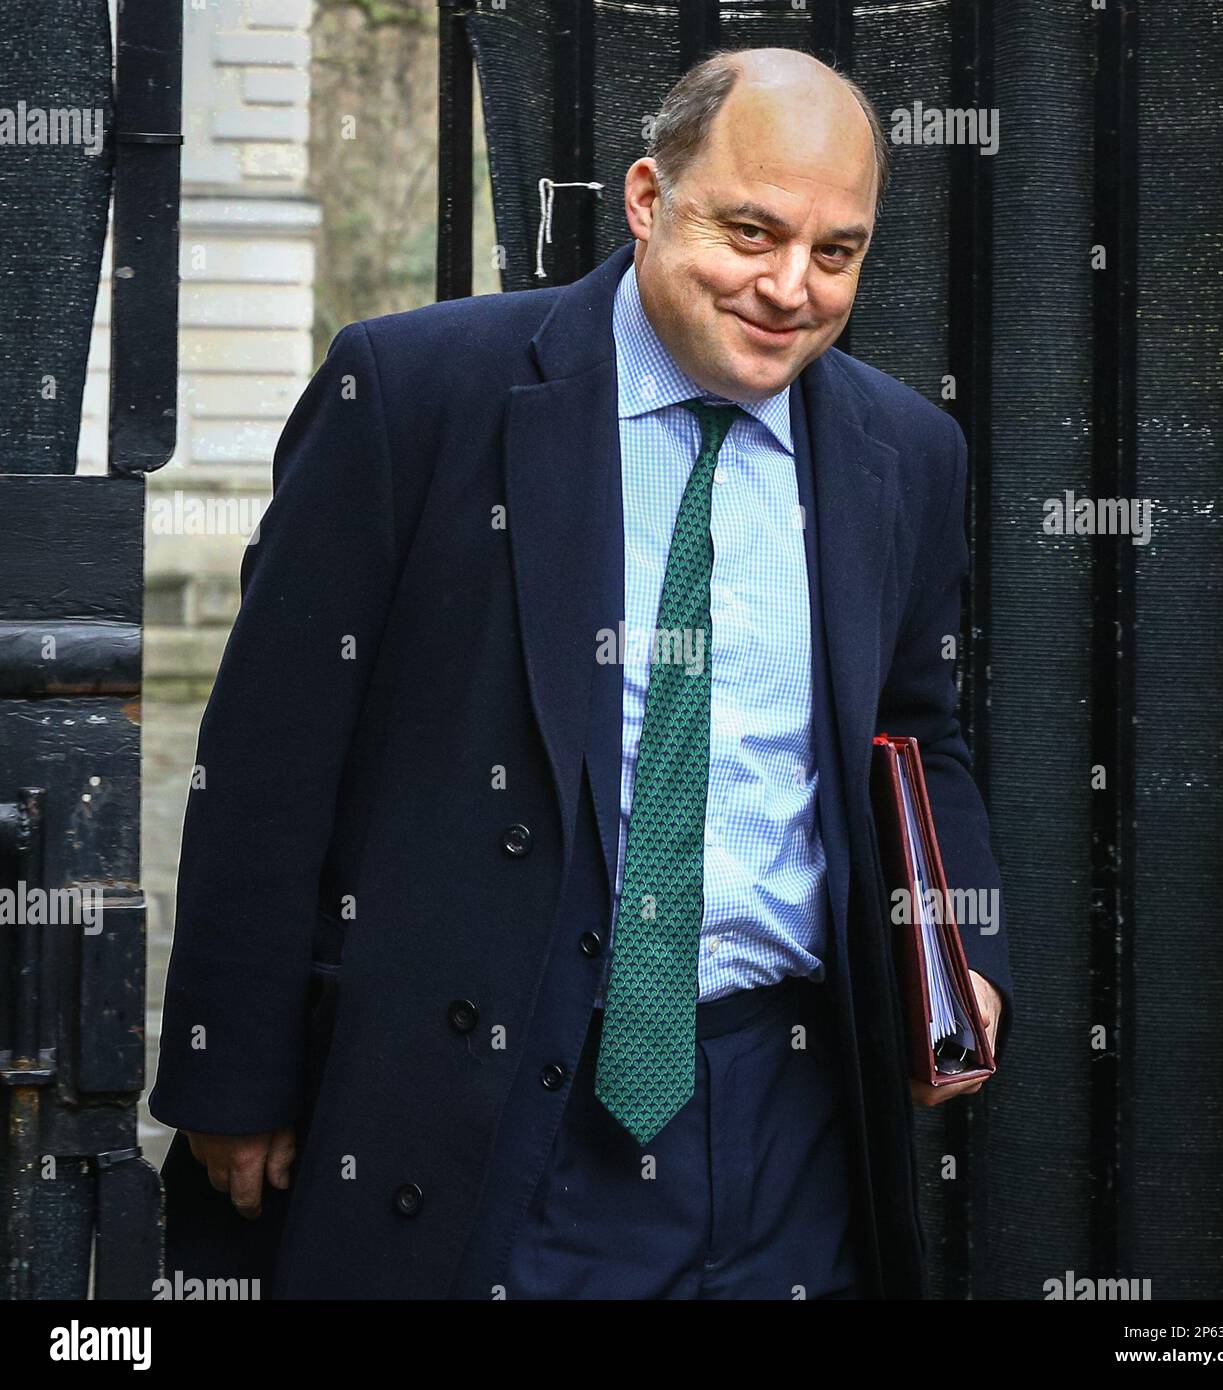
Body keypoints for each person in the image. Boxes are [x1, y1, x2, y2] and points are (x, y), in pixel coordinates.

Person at [150, 45, 1013, 1300]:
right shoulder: (416, 392)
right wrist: (235, 1075)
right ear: (649, 200)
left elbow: (914, 732)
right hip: (497, 1090)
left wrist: (954, 939)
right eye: (750, 232)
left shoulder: (907, 453)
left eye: (835, 253)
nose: (788, 288)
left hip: (788, 1105)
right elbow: (273, 754)